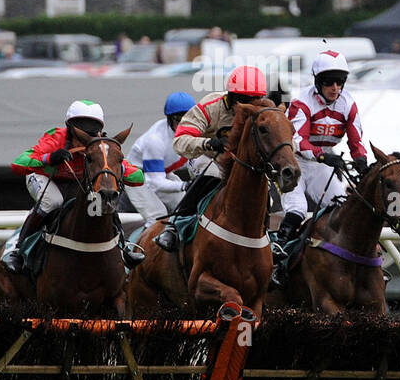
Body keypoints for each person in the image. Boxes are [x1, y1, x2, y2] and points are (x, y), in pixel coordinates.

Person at [5, 100, 145, 271]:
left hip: (76, 183)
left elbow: (139, 177)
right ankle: (18, 250)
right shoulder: (56, 138)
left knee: (104, 200)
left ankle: (123, 249)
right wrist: (48, 158)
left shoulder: (103, 148)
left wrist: (116, 165)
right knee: (53, 202)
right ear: (69, 127)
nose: (85, 134)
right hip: (46, 178)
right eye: (80, 127)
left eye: (91, 128)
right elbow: (17, 163)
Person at [272, 50, 370, 288]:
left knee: (340, 207)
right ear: (317, 81)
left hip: (321, 164)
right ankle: (277, 262)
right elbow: (298, 142)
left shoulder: (349, 104)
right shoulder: (301, 102)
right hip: (294, 162)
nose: (335, 87)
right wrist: (322, 154)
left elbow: (356, 143)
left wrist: (362, 162)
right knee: (297, 208)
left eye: (340, 81)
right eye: (328, 82)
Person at [154, 65, 270, 253]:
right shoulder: (210, 106)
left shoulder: (265, 112)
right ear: (231, 96)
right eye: (243, 100)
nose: (248, 106)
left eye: (255, 100)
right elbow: (180, 141)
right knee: (212, 175)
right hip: (207, 157)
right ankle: (174, 227)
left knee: (263, 188)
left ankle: (268, 236)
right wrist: (209, 143)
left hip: (239, 164)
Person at [126, 92, 195, 226]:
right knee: (158, 216)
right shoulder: (155, 140)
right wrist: (185, 185)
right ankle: (140, 246)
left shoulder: (195, 132)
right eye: (178, 119)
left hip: (161, 173)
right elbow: (155, 183)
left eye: (189, 119)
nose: (184, 124)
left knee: (186, 208)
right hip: (136, 177)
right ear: (169, 119)